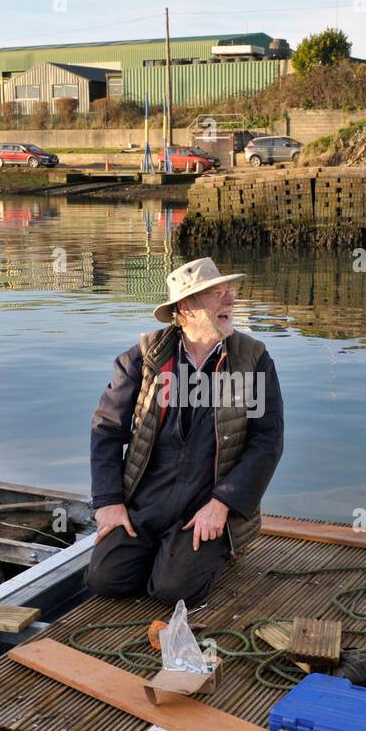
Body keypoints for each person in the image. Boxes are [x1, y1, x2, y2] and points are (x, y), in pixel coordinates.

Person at [87, 257, 284, 607]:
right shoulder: (142, 359)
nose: (230, 300)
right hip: (148, 500)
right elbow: (106, 429)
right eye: (216, 294)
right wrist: (109, 502)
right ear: (185, 308)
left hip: (205, 503)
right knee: (106, 579)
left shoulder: (252, 359)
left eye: (230, 292)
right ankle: (165, 551)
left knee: (173, 590)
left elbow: (266, 442)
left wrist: (222, 504)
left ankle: (219, 548)